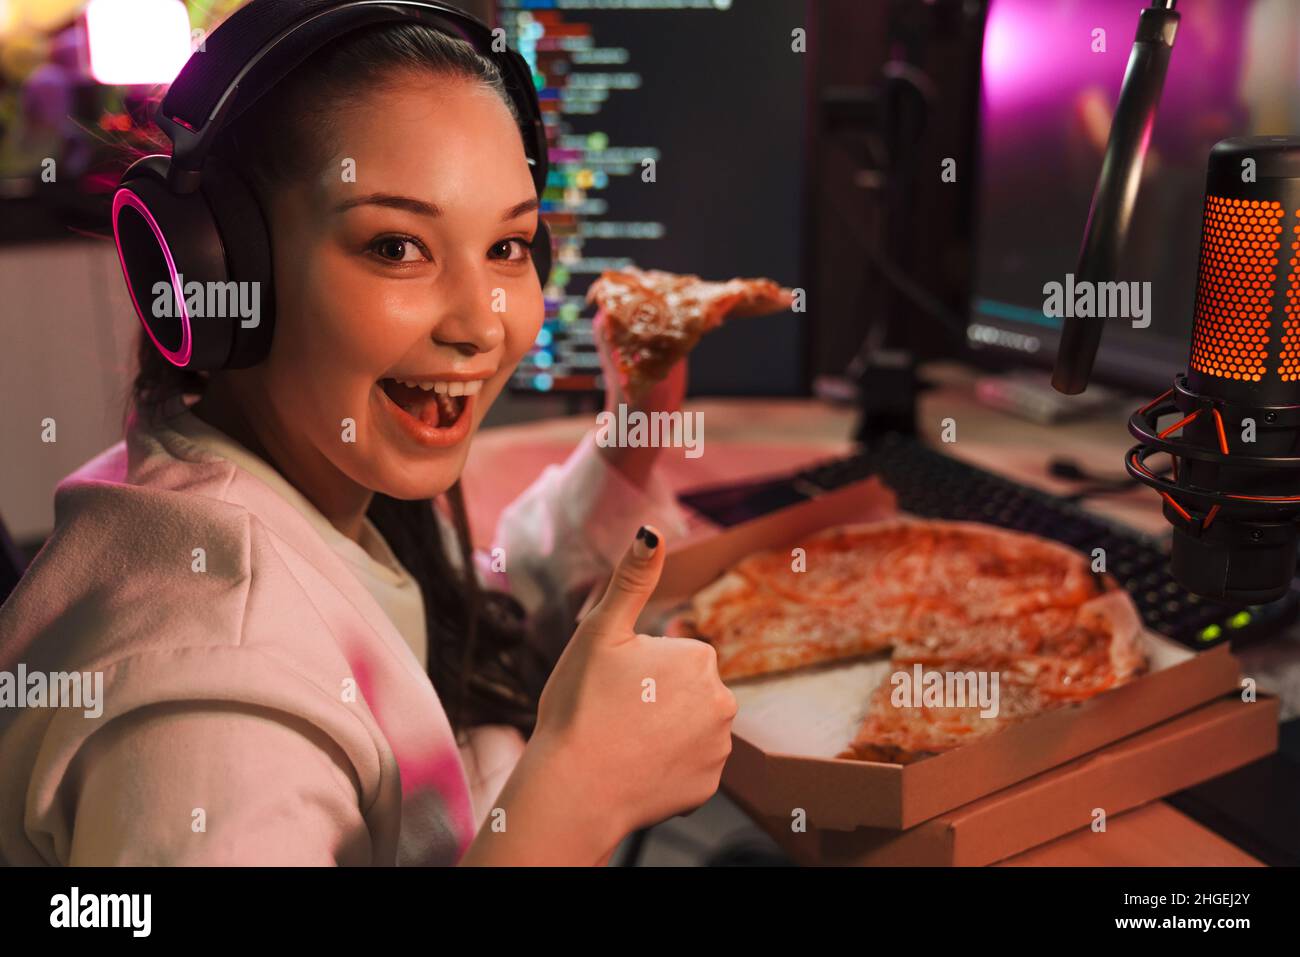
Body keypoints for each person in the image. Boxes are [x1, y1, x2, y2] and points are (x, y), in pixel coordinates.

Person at [0, 12, 736, 866]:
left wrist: (633, 427)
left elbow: (484, 592)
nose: (480, 325)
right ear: (216, 271)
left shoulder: (275, 480)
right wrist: (573, 802)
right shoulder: (210, 718)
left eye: (507, 245)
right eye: (397, 246)